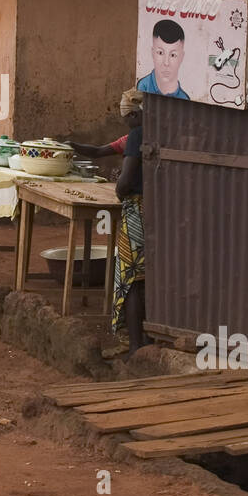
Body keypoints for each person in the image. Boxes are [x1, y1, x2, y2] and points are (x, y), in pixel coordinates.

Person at [112, 88, 148, 358]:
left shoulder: (137, 134)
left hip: (137, 210)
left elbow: (125, 183)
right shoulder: (163, 127)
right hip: (157, 210)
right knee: (147, 276)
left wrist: (118, 186)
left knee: (132, 277)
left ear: (135, 114)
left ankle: (135, 343)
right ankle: (146, 336)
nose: (127, 124)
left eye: (128, 119)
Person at [137, 19, 190, 99]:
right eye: (160, 53)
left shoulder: (184, 98)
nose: (166, 63)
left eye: (173, 55)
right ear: (152, 53)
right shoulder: (144, 86)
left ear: (181, 57)